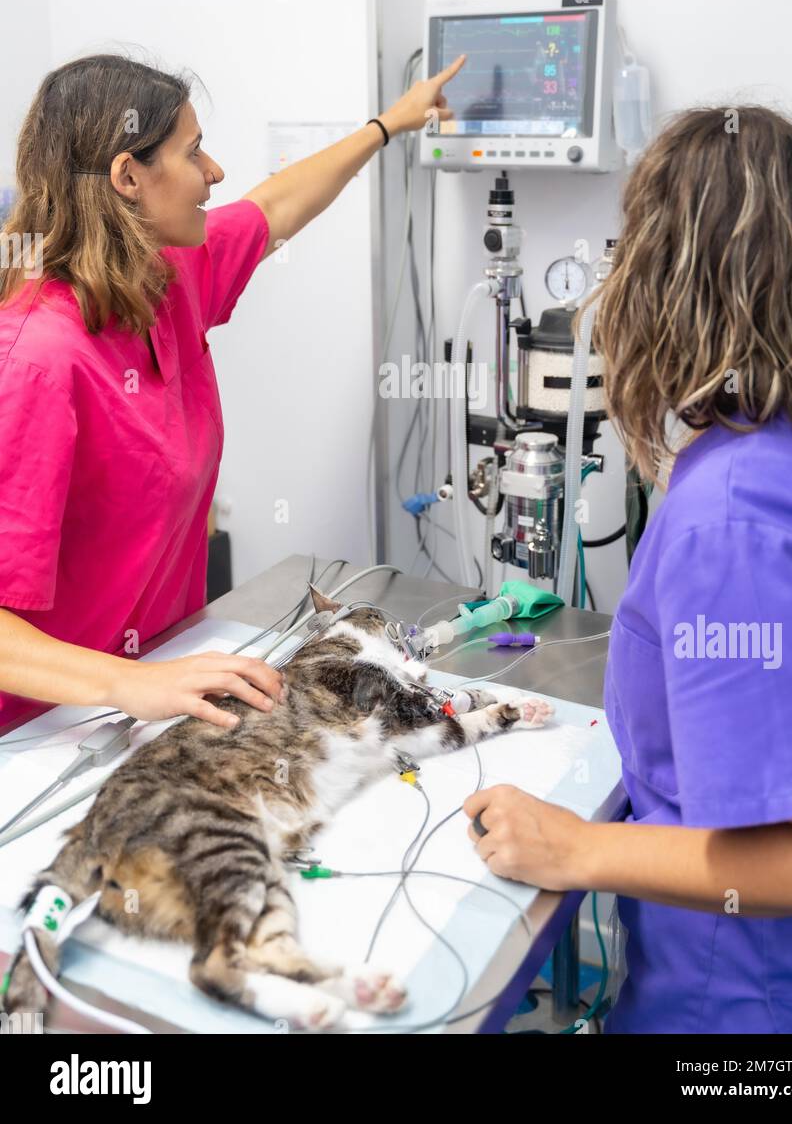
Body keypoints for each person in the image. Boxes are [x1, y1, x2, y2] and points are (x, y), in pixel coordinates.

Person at [465, 105, 792, 1033]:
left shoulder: (734, 520)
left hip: (757, 1017)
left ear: (674, 280)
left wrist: (578, 850)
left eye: (631, 250)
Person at [0, 50, 464, 733]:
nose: (213, 173)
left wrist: (389, 124)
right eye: (194, 153)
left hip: (150, 693)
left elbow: (275, 207)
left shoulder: (166, 277)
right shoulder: (35, 361)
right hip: (38, 733)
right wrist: (133, 683)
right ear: (128, 175)